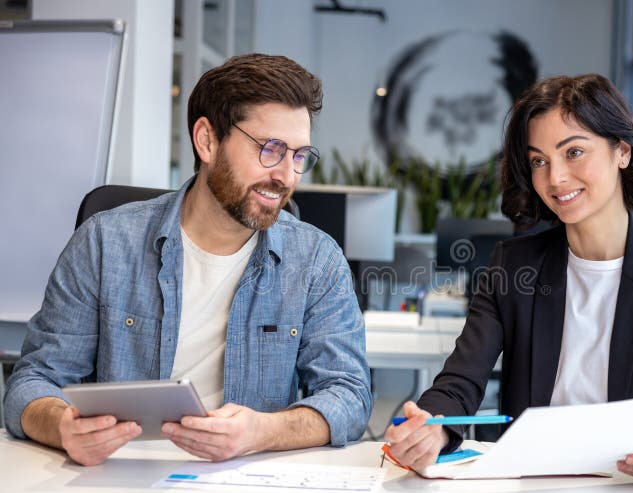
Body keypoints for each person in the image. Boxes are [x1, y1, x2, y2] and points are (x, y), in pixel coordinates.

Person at [385, 73, 633, 490]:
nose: (556, 179)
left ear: (621, 150)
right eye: (539, 161)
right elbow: (459, 384)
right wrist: (432, 427)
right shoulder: (513, 266)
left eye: (574, 152)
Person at [4, 54, 372, 466]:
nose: (286, 176)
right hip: (116, 480)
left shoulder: (317, 261)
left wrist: (260, 432)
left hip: (248, 491)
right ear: (207, 140)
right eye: (271, 149)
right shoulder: (105, 242)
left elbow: (350, 396)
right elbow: (32, 383)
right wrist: (62, 426)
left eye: (299, 155)